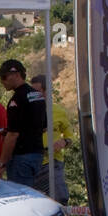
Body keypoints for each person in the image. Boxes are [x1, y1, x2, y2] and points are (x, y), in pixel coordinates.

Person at [0, 59, 45, 187]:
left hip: (21, 157)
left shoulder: (15, 100)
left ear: (17, 75)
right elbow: (43, 126)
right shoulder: (37, 95)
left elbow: (13, 135)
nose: (2, 81)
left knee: (21, 197)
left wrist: (1, 164)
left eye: (4, 77)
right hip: (37, 155)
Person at [30, 74, 72, 204]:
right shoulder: (27, 110)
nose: (34, 96)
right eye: (32, 93)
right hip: (31, 164)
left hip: (52, 162)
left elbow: (70, 136)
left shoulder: (59, 111)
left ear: (47, 91)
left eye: (37, 92)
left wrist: (64, 142)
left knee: (60, 198)